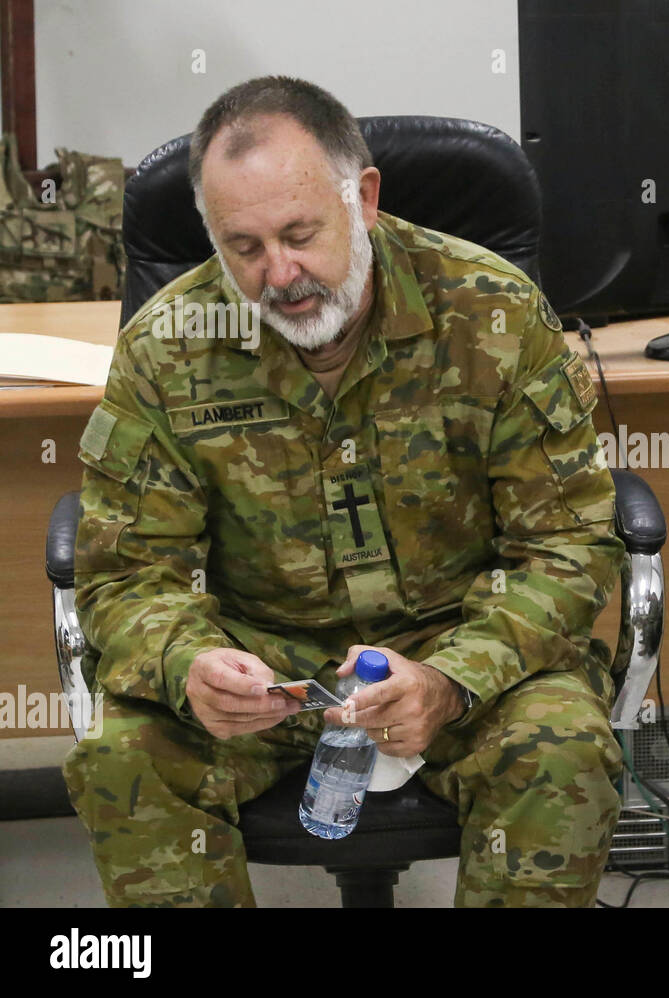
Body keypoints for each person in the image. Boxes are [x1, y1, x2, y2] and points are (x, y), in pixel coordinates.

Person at [63, 76, 624, 908]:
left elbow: (568, 546)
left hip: (460, 647)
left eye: (299, 234)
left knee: (563, 747)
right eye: (242, 247)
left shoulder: (492, 314)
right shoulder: (167, 348)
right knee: (123, 754)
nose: (279, 274)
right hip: (265, 670)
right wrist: (189, 665)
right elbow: (125, 574)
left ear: (362, 199)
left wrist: (453, 677)